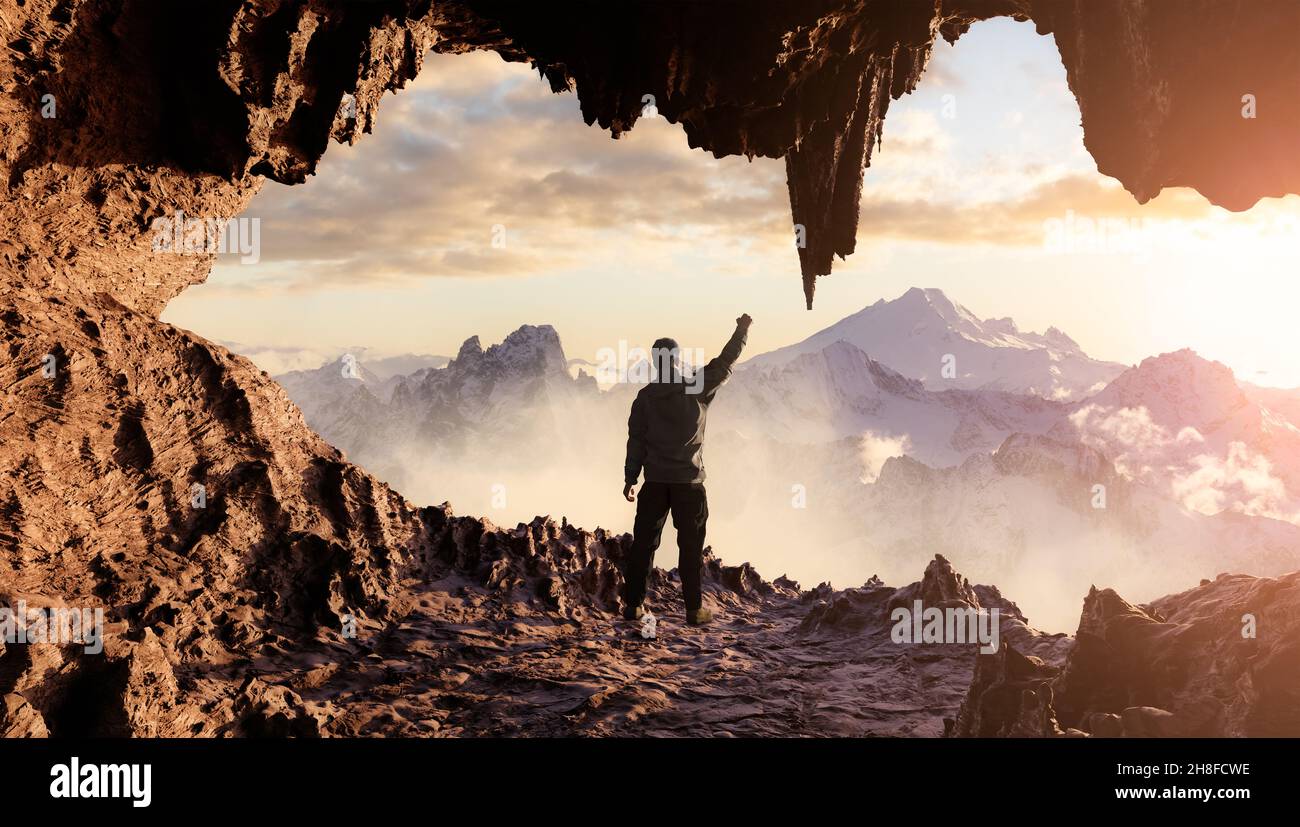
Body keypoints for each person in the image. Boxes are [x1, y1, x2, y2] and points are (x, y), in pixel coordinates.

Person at [621, 314, 751, 626]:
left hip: (653, 483)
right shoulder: (696, 386)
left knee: (643, 545)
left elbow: (636, 440)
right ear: (677, 361)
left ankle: (634, 606)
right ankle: (694, 610)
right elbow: (726, 360)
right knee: (690, 548)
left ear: (655, 363)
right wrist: (742, 329)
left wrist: (630, 477)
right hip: (689, 483)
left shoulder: (645, 398)